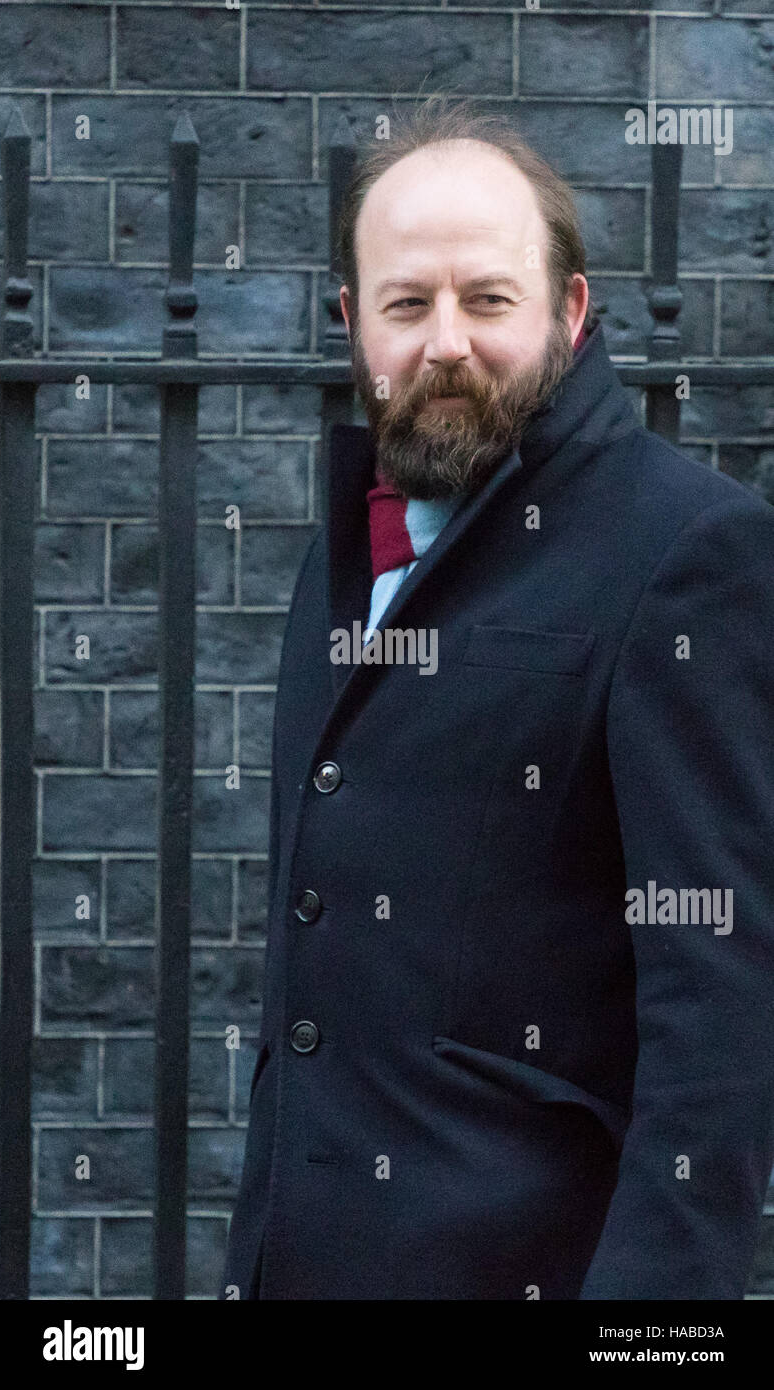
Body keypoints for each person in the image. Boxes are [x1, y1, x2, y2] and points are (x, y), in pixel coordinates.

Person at [220, 95, 774, 1300]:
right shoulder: (340, 548)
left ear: (569, 313)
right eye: (407, 304)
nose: (446, 342)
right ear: (353, 321)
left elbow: (722, 1011)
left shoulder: (688, 552)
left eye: (488, 299)